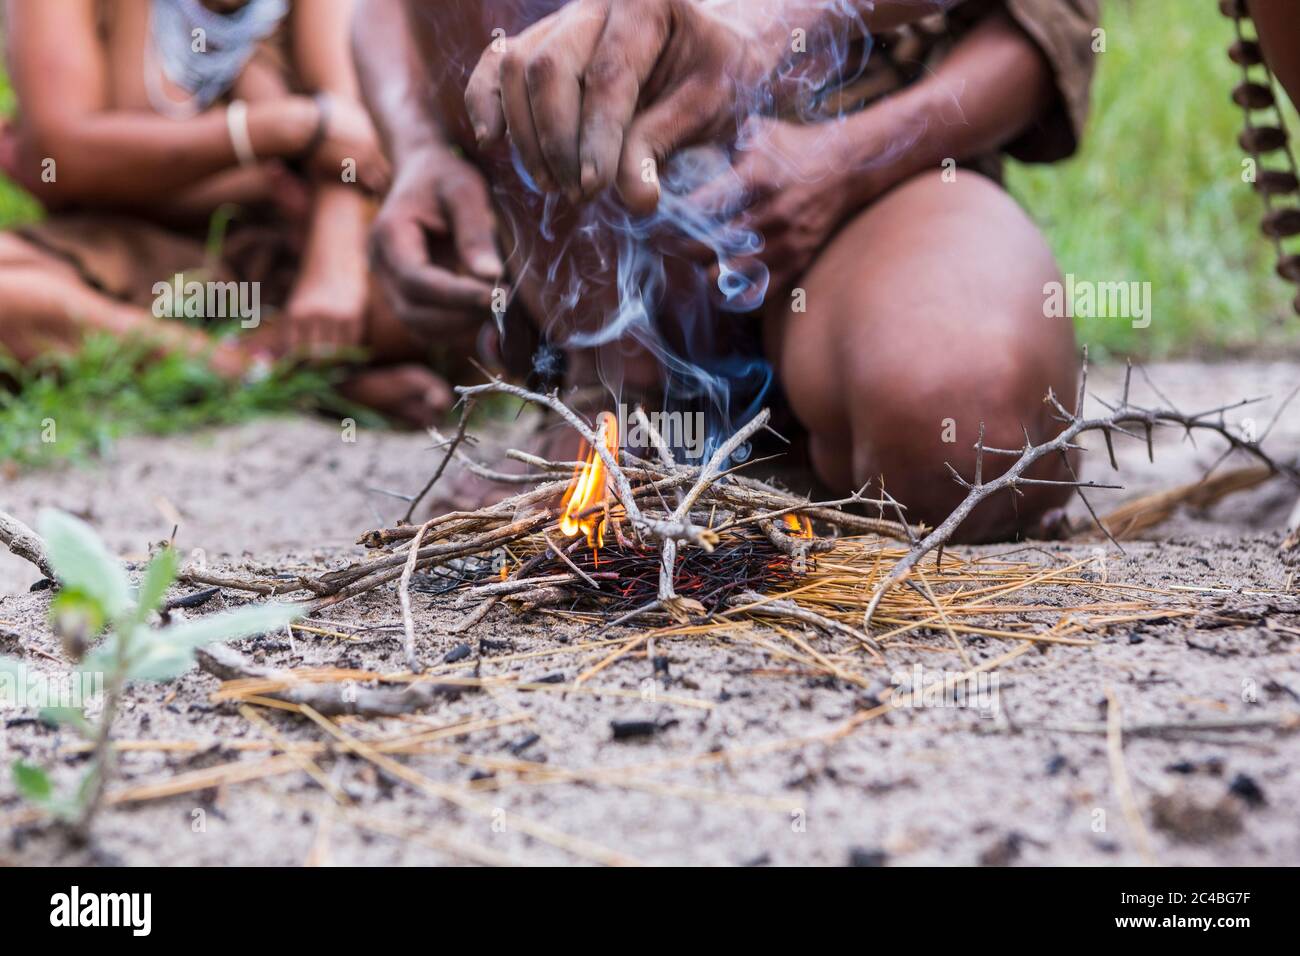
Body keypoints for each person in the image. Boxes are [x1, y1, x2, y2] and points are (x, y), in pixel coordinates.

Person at [355, 0, 1099, 539]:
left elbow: (1040, 24)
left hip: (867, 156)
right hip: (580, 236)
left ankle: (797, 407)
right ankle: (613, 394)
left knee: (967, 442)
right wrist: (419, 150)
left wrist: (833, 143)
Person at [0, 0, 458, 426]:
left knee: (449, 280)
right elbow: (61, 157)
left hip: (285, 260)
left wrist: (334, 269)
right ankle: (270, 375)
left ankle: (275, 360)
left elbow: (353, 133)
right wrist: (281, 128)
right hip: (115, 249)